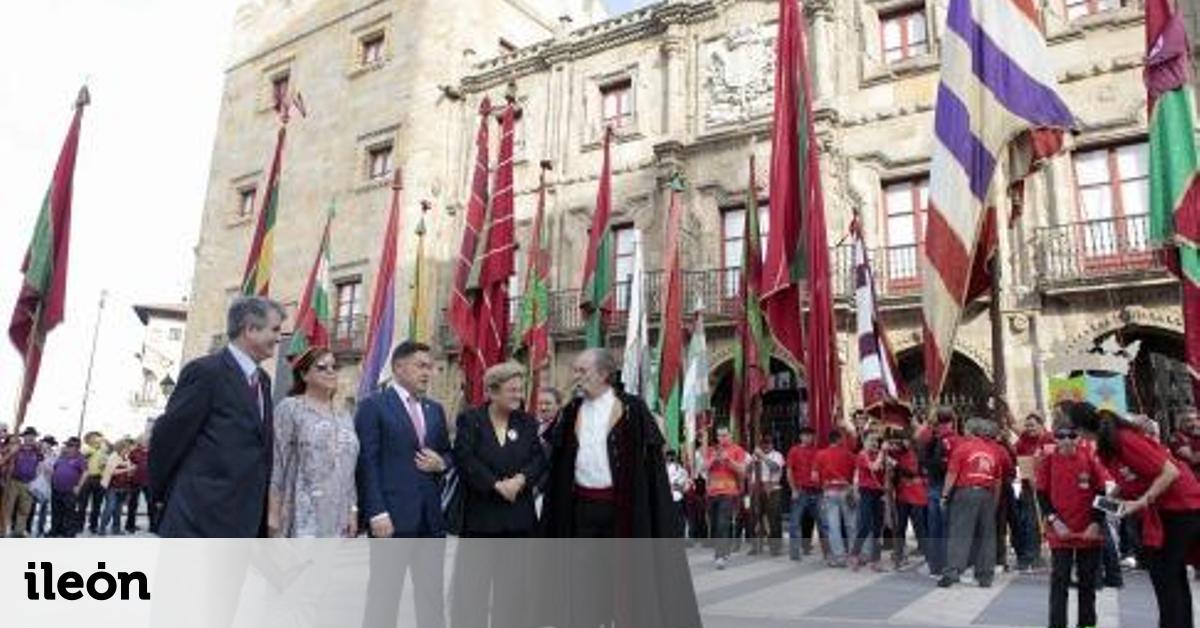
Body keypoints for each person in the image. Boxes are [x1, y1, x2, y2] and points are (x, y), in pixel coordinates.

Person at [540, 347, 699, 627]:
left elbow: (650, 466)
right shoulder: (572, 411)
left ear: (603, 374)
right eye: (575, 370)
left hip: (623, 509)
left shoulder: (632, 409)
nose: (576, 376)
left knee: (626, 580)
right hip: (581, 510)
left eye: (582, 371)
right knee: (584, 579)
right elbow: (558, 463)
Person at [150, 296, 285, 537]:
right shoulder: (206, 372)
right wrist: (162, 498)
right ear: (250, 329)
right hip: (197, 521)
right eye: (275, 329)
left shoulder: (263, 380)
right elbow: (166, 440)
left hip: (243, 521)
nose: (279, 338)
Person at [1067, 402, 1200, 628]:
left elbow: (1170, 472)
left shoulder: (1124, 439)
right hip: (1165, 511)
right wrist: (1105, 505)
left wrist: (1141, 501)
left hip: (1180, 508)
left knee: (1166, 575)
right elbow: (1127, 479)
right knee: (1169, 576)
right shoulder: (1108, 445)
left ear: (1080, 429)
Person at [355, 340, 450, 628]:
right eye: (421, 366)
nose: (428, 373)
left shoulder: (435, 409)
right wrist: (376, 512)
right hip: (391, 520)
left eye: (430, 367)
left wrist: (442, 463)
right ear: (398, 367)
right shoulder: (373, 406)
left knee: (432, 597)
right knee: (384, 598)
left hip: (430, 519)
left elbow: (447, 453)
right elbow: (366, 463)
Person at [450, 362, 546, 628]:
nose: (518, 395)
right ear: (492, 392)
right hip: (481, 521)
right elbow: (464, 458)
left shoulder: (527, 422)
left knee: (513, 595)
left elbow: (538, 459)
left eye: (520, 389)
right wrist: (495, 485)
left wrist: (521, 479)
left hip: (518, 522)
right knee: (472, 594)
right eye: (512, 390)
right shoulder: (471, 419)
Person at [269, 346, 359, 538]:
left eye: (334, 367)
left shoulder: (344, 414)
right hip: (301, 513)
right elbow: (277, 463)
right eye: (321, 367)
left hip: (338, 517)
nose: (330, 371)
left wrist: (352, 510)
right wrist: (273, 513)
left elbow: (349, 469)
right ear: (304, 375)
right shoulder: (291, 408)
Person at [1036, 419, 1107, 628]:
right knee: (1060, 580)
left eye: (1071, 435)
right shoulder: (1048, 462)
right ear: (1054, 438)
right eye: (1061, 436)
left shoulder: (1090, 459)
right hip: (1060, 531)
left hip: (1088, 530)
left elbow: (1102, 493)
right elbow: (1041, 495)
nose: (1066, 440)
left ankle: (1087, 624)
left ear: (1079, 437)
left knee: (1087, 582)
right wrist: (1053, 520)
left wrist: (1096, 522)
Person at [938, 418, 1001, 588]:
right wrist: (994, 500)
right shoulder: (992, 451)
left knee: (960, 533)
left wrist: (945, 495)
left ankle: (953, 571)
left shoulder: (962, 448)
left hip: (965, 492)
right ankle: (985, 575)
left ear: (969, 431)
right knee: (986, 536)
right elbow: (997, 480)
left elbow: (952, 473)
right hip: (987, 494)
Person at [700, 425, 749, 568]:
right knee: (715, 525)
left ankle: (719, 556)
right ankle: (724, 549)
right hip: (712, 492)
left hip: (729, 492)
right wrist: (713, 459)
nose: (722, 438)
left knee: (723, 522)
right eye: (719, 435)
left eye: (724, 435)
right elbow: (702, 468)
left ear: (730, 435)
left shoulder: (737, 450)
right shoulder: (711, 450)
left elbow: (742, 471)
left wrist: (728, 460)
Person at [920, 407, 959, 578]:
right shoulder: (955, 440)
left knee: (934, 527)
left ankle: (934, 566)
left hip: (933, 485)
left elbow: (921, 453)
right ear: (953, 421)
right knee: (947, 528)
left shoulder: (930, 437)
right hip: (949, 487)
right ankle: (947, 565)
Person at [1014, 413, 1054, 571]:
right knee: (1031, 521)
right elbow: (1018, 457)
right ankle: (1033, 556)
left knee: (1052, 518)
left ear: (1041, 424)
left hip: (1049, 486)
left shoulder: (1049, 439)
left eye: (1032, 425)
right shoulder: (1023, 440)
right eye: (1027, 425)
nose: (1029, 428)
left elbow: (1051, 461)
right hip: (1029, 486)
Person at [815, 429, 858, 567]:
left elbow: (814, 477)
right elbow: (857, 473)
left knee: (834, 526)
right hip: (846, 490)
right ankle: (854, 555)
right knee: (851, 524)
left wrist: (822, 486)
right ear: (840, 439)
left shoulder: (820, 454)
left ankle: (839, 557)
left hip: (829, 491)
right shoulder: (849, 454)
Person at [890, 430, 928, 571]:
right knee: (901, 525)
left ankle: (924, 550)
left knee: (919, 525)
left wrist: (896, 465)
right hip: (903, 494)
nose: (901, 443)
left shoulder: (916, 454)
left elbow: (912, 471)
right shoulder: (899, 453)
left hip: (916, 493)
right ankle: (899, 552)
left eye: (904, 440)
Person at [851, 432, 887, 571]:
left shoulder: (880, 455)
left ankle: (875, 559)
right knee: (865, 525)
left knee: (878, 527)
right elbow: (874, 467)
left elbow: (889, 471)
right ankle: (855, 554)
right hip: (866, 492)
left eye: (876, 441)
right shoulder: (862, 455)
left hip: (879, 493)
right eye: (871, 440)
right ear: (865, 442)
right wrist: (882, 453)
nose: (874, 443)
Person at [786, 427, 822, 561]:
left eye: (810, 435)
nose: (808, 438)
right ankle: (794, 552)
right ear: (800, 437)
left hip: (817, 491)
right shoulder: (794, 451)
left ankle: (828, 551)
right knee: (795, 523)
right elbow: (789, 471)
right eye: (805, 435)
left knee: (823, 523)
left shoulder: (818, 451)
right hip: (800, 490)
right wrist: (793, 489)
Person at [748, 434, 785, 557]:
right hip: (757, 489)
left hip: (772, 489)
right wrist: (753, 460)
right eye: (763, 444)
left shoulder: (777, 455)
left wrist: (763, 457)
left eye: (768, 443)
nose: (765, 446)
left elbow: (775, 468)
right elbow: (747, 471)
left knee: (774, 519)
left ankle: (775, 547)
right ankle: (755, 545)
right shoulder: (755, 456)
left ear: (772, 444)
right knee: (754, 518)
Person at [3, 427, 42, 537]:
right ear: (24, 437)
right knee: (8, 507)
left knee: (24, 509)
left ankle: (18, 532)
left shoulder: (37, 451)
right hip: (14, 482)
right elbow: (5, 458)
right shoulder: (16, 448)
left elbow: (41, 465)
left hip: (29, 483)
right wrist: (12, 451)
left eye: (32, 436)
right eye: (28, 435)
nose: (30, 438)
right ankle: (4, 530)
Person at [49, 437, 87, 537]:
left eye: (70, 446)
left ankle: (68, 533)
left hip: (69, 491)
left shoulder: (80, 458)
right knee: (56, 511)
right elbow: (55, 468)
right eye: (67, 445)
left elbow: (85, 473)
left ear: (77, 447)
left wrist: (79, 486)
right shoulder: (62, 456)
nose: (68, 447)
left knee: (69, 512)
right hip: (57, 489)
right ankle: (55, 530)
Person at [98, 439, 135, 535]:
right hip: (112, 487)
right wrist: (128, 469)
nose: (127, 450)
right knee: (110, 508)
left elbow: (128, 472)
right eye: (125, 448)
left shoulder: (126, 458)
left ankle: (116, 529)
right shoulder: (113, 456)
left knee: (118, 510)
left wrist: (131, 471)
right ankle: (102, 528)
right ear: (120, 448)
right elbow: (112, 471)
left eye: (128, 449)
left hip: (123, 487)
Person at [77, 431, 109, 535]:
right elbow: (85, 455)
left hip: (99, 478)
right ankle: (79, 525)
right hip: (87, 478)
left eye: (98, 437)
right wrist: (97, 449)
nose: (96, 439)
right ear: (88, 439)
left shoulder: (103, 450)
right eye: (94, 437)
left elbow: (105, 463)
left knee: (97, 505)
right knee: (82, 504)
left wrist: (103, 453)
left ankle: (93, 526)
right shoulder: (85, 448)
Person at [125, 433, 152, 534]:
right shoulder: (134, 452)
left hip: (148, 482)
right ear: (139, 442)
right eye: (143, 440)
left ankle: (153, 525)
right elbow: (128, 464)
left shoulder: (153, 451)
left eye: (146, 440)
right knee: (133, 504)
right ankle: (130, 525)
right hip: (135, 482)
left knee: (151, 504)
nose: (145, 442)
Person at [666, 450, 690, 536]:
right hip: (671, 500)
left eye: (672, 457)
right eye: (669, 457)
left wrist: (679, 487)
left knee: (678, 524)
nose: (671, 459)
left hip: (677, 500)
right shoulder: (665, 469)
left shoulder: (681, 470)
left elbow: (686, 486)